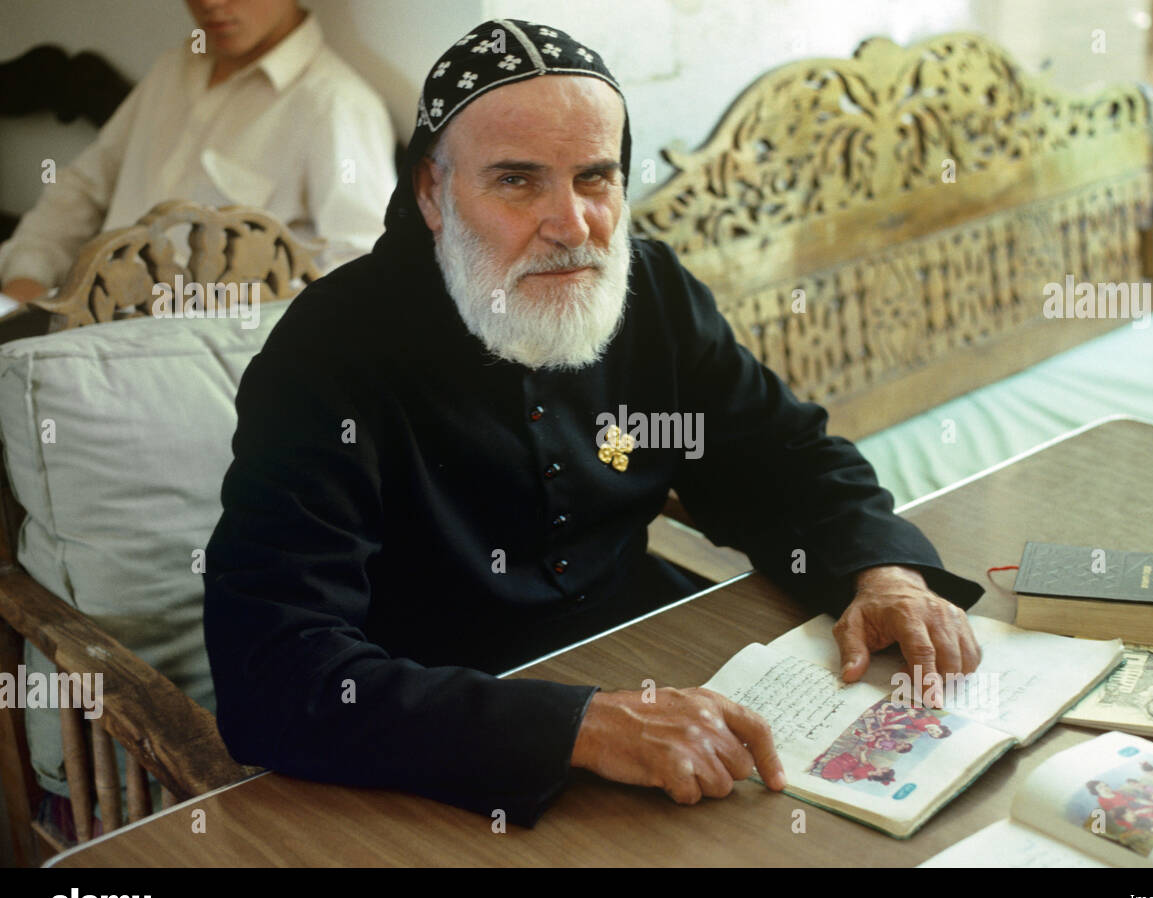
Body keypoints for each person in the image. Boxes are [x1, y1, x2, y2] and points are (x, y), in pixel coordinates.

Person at [203, 19, 985, 827]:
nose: (572, 224)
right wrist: (576, 726)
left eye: (595, 178)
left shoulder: (652, 289)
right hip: (436, 756)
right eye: (517, 181)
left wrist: (881, 572)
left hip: (656, 665)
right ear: (432, 193)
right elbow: (275, 674)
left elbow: (781, 458)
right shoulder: (328, 355)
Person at [0, 0, 395, 303]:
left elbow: (360, 272)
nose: (210, 3)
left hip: (193, 370)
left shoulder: (336, 105)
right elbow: (83, 186)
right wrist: (26, 277)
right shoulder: (174, 68)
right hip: (74, 328)